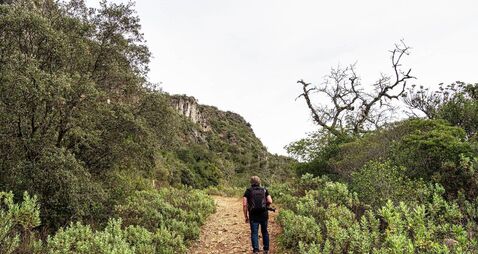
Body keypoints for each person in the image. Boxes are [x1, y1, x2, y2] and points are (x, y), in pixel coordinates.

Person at [243, 176, 273, 254]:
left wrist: (246, 216)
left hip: (253, 215)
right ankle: (266, 250)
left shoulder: (248, 191)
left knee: (254, 233)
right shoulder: (264, 190)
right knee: (265, 232)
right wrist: (266, 205)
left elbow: (244, 205)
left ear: (251, 182)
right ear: (259, 182)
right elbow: (270, 200)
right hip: (264, 214)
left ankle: (256, 250)